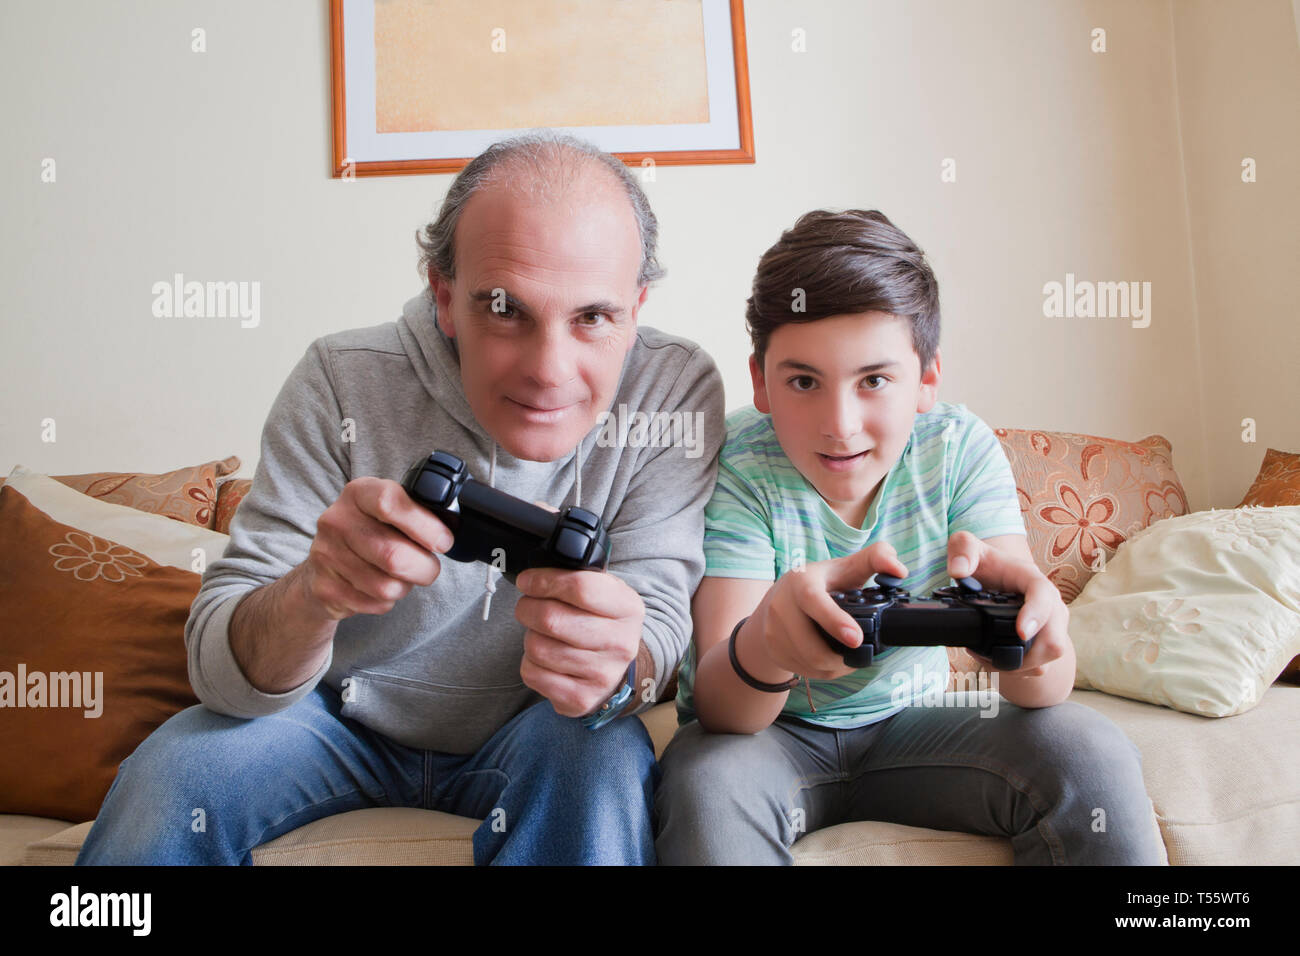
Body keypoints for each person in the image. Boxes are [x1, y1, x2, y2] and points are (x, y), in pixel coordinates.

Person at [76, 130, 724, 866]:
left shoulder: (674, 391)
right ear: (444, 296)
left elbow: (662, 631)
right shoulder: (340, 378)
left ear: (637, 308)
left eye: (593, 318)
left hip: (539, 728)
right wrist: (314, 594)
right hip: (330, 717)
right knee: (174, 770)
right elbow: (217, 671)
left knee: (599, 761)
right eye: (506, 309)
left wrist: (620, 667)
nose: (550, 370)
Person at [653, 209, 1164, 865]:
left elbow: (1041, 690)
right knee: (704, 779)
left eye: (875, 380)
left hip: (914, 728)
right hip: (764, 741)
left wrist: (1030, 644)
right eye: (803, 381)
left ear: (926, 379)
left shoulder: (957, 450)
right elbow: (727, 711)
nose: (840, 425)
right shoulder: (741, 464)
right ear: (761, 381)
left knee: (1086, 745)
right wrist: (766, 644)